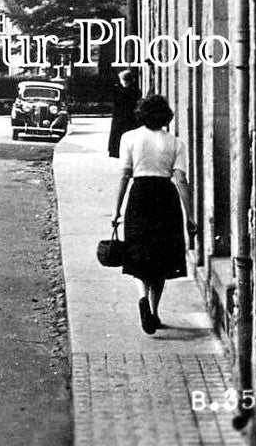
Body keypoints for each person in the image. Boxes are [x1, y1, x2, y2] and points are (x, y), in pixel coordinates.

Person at [110, 94, 196, 334]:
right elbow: (181, 180)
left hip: (139, 198)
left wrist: (117, 210)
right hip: (165, 200)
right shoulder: (176, 143)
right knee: (160, 259)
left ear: (142, 113)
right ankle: (154, 312)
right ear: (166, 116)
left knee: (138, 254)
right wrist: (190, 216)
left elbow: (124, 175)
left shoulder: (129, 138)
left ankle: (141, 299)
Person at [107, 69, 141, 158]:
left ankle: (118, 151)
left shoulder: (118, 90)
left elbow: (115, 104)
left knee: (119, 136)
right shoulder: (135, 90)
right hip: (131, 117)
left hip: (120, 117)